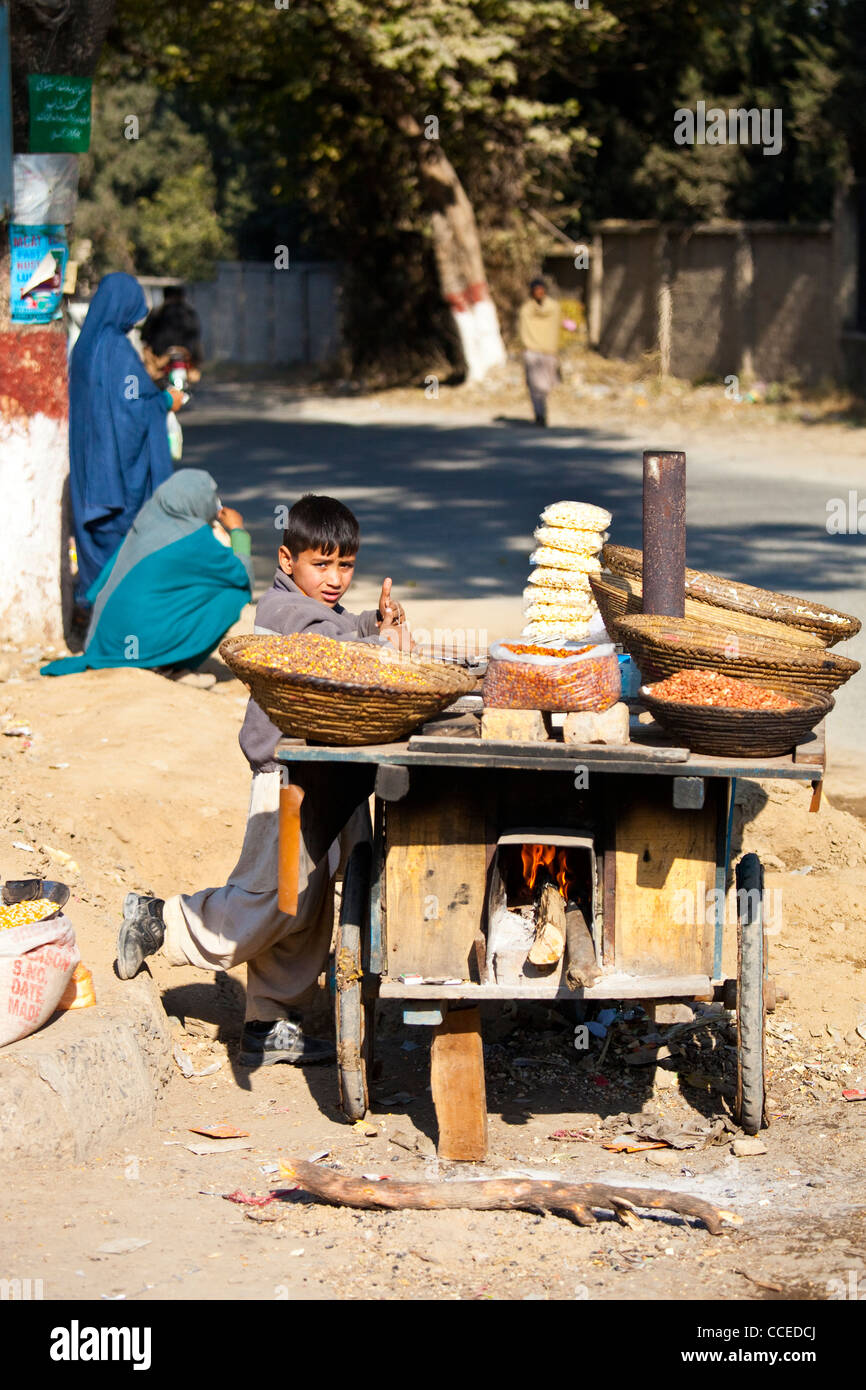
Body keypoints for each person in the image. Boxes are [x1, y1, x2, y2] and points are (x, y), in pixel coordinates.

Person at [115, 494, 411, 1067]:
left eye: (345, 566)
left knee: (308, 907)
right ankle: (161, 922)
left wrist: (375, 622)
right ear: (286, 558)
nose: (334, 579)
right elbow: (330, 649)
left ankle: (270, 1020)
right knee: (273, 900)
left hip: (329, 773)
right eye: (320, 565)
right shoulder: (281, 611)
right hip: (287, 780)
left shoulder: (318, 610)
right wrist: (381, 647)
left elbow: (342, 625)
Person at [42, 470, 252, 677]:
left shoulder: (148, 519)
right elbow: (243, 576)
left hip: (105, 640)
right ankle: (166, 665)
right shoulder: (195, 538)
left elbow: (103, 579)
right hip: (140, 644)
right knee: (233, 595)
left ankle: (159, 660)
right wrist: (237, 530)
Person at [68, 272, 182, 617]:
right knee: (125, 541)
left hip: (90, 470)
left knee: (97, 544)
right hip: (116, 473)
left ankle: (95, 615)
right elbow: (132, 411)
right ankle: (118, 627)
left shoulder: (85, 345)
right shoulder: (117, 350)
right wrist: (165, 402)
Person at [518, 276, 562, 426]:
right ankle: (540, 414)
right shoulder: (526, 309)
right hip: (532, 352)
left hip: (549, 352)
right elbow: (524, 330)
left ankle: (541, 411)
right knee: (536, 386)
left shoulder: (554, 308)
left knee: (544, 387)